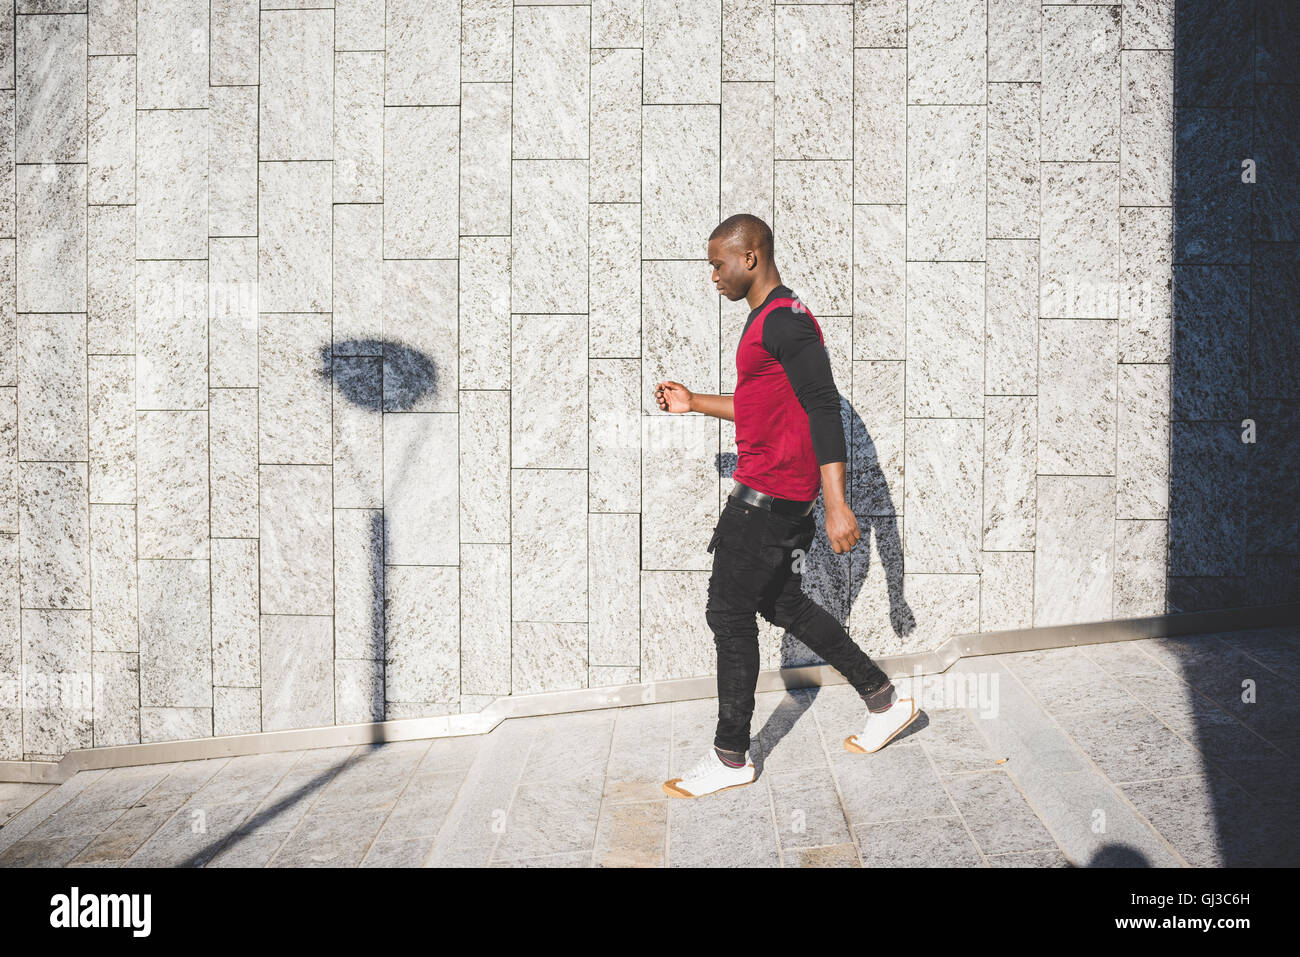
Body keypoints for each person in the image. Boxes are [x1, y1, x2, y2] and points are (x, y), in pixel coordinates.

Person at [654, 214, 918, 799]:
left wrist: (838, 504)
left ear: (750, 258)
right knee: (786, 605)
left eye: (718, 264)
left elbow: (824, 408)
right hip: (773, 500)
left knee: (728, 614)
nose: (713, 276)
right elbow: (761, 407)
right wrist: (695, 401)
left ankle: (730, 756)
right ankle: (884, 701)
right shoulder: (768, 321)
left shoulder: (784, 323)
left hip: (766, 506)